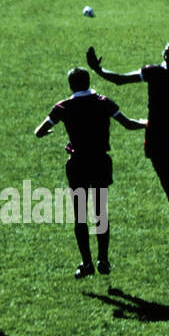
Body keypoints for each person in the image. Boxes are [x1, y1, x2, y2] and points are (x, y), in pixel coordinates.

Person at [86, 27, 169, 249]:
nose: (166, 50)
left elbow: (120, 81)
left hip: (157, 130)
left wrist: (98, 70)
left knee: (167, 182)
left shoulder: (155, 72)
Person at [34, 67, 146, 278]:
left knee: (80, 216)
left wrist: (47, 132)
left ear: (70, 85)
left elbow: (39, 131)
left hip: (77, 164)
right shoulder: (104, 102)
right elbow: (128, 124)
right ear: (88, 82)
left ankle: (86, 263)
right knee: (100, 212)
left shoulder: (63, 107)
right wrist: (147, 123)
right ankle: (103, 258)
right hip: (100, 161)